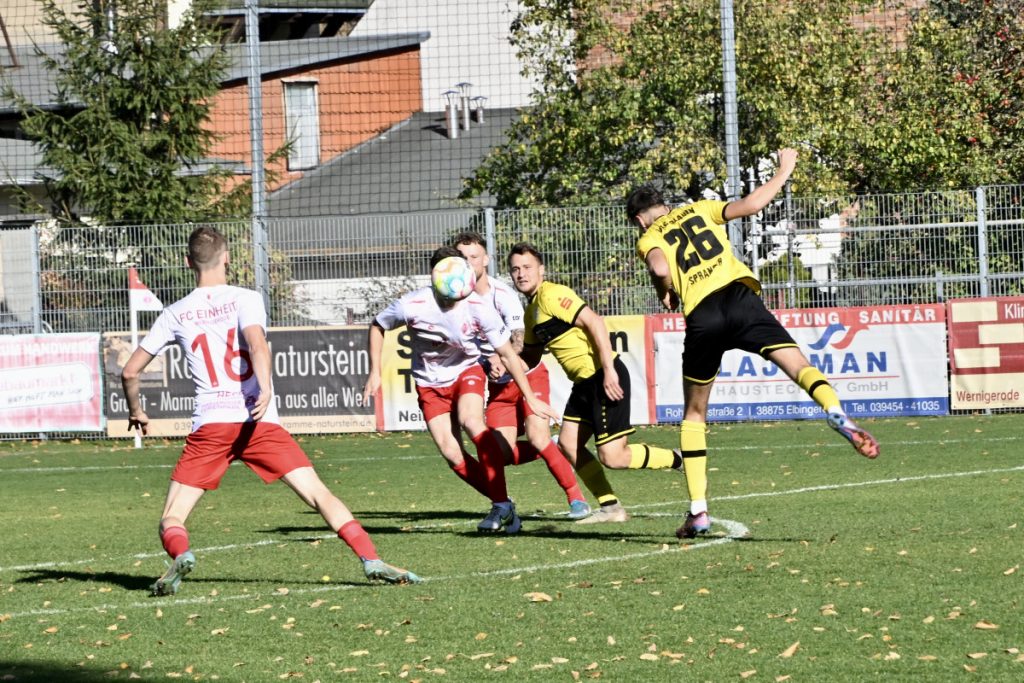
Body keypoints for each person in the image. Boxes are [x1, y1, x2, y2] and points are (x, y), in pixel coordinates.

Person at [121, 226, 420, 596]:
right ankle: (370, 558)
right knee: (317, 493)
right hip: (258, 420)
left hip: (213, 423)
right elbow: (257, 343)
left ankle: (181, 553)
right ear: (227, 257)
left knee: (173, 515)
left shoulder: (176, 313)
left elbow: (129, 370)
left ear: (187, 263)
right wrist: (263, 388)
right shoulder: (246, 298)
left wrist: (138, 410)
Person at [625, 147, 880, 540]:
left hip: (704, 316)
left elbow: (660, 266)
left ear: (640, 219)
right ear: (663, 204)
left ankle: (698, 511)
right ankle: (833, 410)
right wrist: (784, 170)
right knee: (799, 365)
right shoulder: (701, 208)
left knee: (694, 416)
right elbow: (752, 204)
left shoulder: (650, 236)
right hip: (741, 300)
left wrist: (665, 287)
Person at [363, 246, 560, 534]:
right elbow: (378, 325)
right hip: (429, 383)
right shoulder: (412, 304)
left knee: (472, 422)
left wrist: (530, 396)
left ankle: (501, 507)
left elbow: (507, 354)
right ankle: (503, 504)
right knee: (451, 453)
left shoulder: (479, 308)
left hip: (466, 371)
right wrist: (375, 372)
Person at [508, 242, 687, 524]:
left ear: (541, 270)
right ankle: (611, 508)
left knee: (614, 457)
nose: (521, 274)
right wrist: (501, 359)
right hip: (583, 384)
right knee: (568, 444)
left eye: (527, 267)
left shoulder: (553, 295)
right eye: (515, 269)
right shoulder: (531, 312)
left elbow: (595, 322)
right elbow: (530, 357)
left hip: (602, 376)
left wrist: (608, 370)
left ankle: (678, 459)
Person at [451, 232, 590, 520]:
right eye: (462, 258)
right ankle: (550, 449)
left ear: (485, 260)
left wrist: (500, 357)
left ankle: (577, 499)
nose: (468, 263)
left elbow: (519, 340)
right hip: (499, 389)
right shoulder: (456, 300)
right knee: (499, 454)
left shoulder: (502, 295)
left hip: (529, 375)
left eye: (473, 257)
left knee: (538, 436)